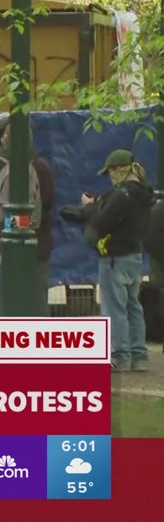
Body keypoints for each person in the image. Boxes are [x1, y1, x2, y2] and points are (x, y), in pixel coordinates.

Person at [0, 114, 56, 316]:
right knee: (38, 303)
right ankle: (38, 344)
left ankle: (6, 345)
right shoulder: (41, 167)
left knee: (1, 302)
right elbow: (50, 200)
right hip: (37, 246)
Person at [81, 150, 155, 372]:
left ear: (119, 169)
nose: (110, 177)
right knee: (133, 306)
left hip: (114, 257)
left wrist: (88, 207)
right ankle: (139, 355)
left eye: (111, 172)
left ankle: (120, 356)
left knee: (114, 307)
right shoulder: (145, 195)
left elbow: (102, 222)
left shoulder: (123, 194)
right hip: (134, 255)